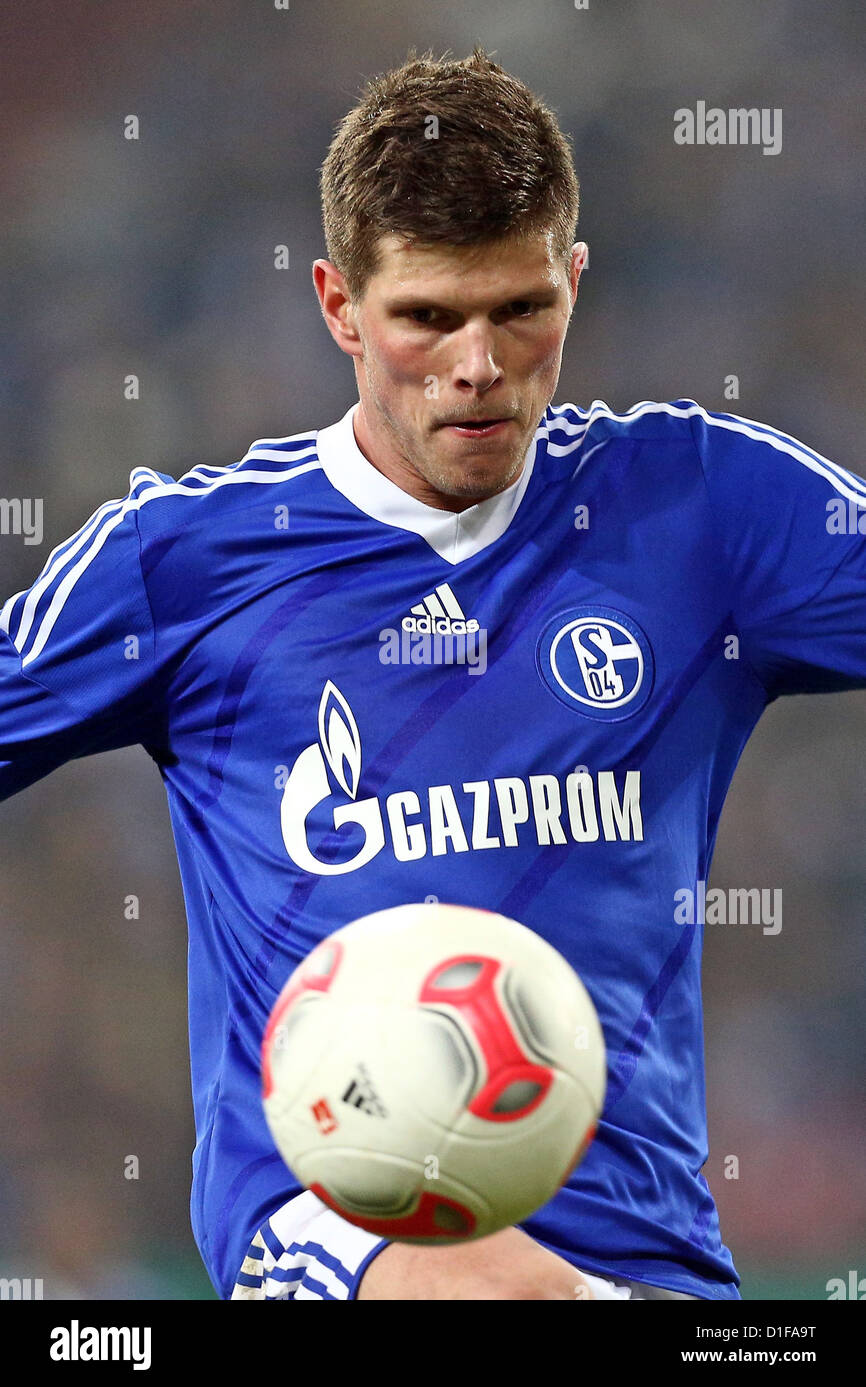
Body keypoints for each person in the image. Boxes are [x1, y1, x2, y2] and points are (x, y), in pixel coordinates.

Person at [2, 46, 863, 1302]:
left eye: (520, 310)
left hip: (651, 1262)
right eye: (426, 317)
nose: (477, 364)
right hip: (331, 1229)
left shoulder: (699, 506)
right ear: (339, 307)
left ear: (572, 282)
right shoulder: (179, 558)